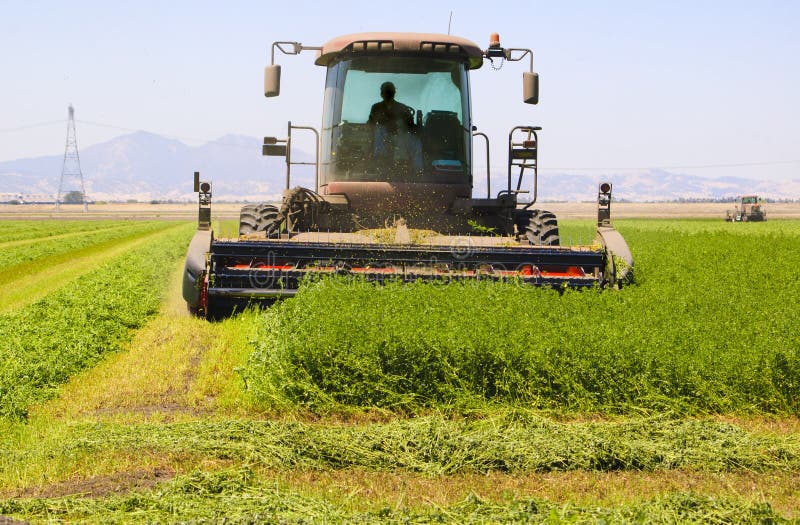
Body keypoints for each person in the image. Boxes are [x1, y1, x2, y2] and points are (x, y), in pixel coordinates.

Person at [368, 82, 422, 171]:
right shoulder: (376, 108)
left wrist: (403, 126)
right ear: (382, 93)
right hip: (383, 137)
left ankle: (418, 170)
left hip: (401, 136)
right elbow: (370, 124)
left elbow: (411, 126)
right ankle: (380, 159)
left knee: (416, 141)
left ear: (394, 93)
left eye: (390, 91)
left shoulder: (403, 108)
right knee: (379, 129)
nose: (388, 93)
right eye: (386, 91)